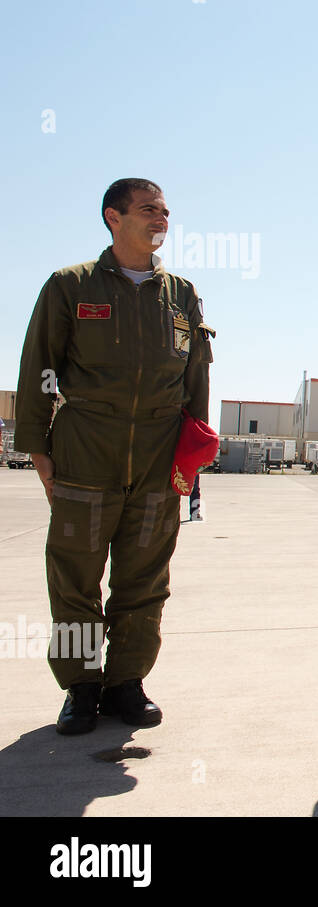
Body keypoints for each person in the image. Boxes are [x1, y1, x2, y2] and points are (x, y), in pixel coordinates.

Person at [14, 178, 214, 735]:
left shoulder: (182, 296)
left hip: (157, 460)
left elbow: (195, 379)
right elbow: (38, 369)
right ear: (113, 217)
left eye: (166, 212)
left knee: (145, 578)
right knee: (75, 577)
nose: (161, 220)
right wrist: (37, 448)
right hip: (86, 451)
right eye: (149, 210)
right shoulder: (70, 286)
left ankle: (126, 682)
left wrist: (191, 458)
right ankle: (80, 686)